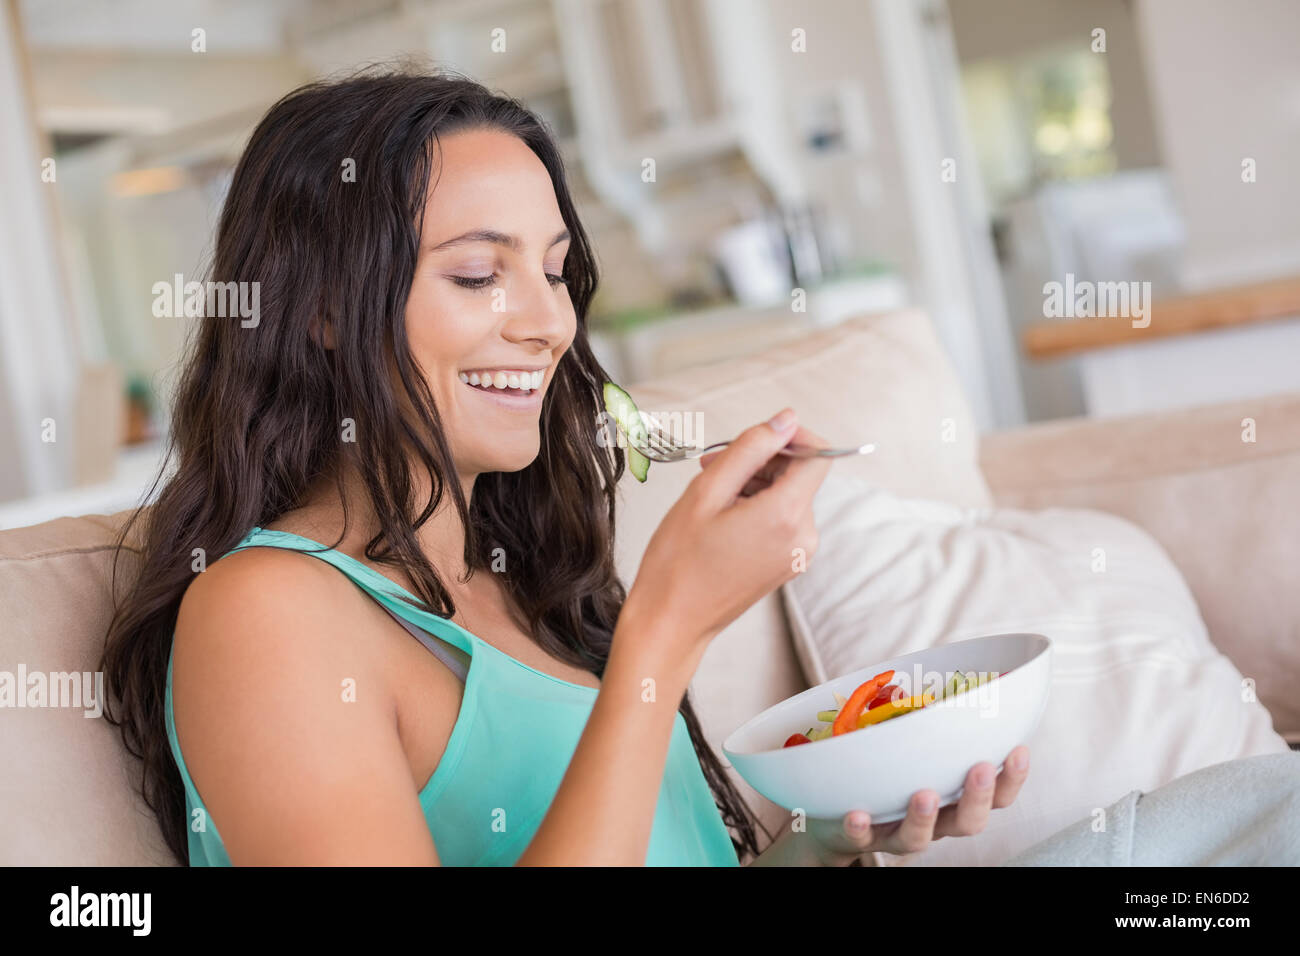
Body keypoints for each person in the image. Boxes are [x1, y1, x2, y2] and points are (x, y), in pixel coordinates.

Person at [101, 68, 1029, 866]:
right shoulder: (265, 611)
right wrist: (664, 634)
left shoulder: (526, 580)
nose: (549, 323)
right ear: (323, 311)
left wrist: (823, 848)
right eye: (477, 276)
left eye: (554, 272)